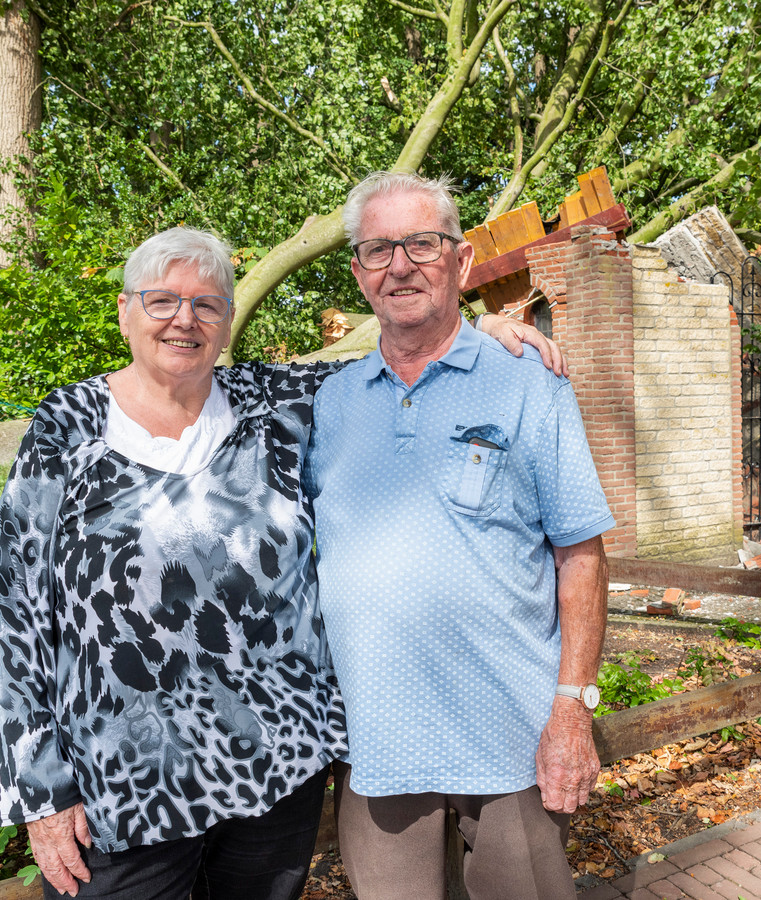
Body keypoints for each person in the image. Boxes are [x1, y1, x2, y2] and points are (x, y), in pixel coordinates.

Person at [0, 225, 560, 900]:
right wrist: (39, 791)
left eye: (207, 304)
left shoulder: (274, 404)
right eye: (161, 300)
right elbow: (15, 613)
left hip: (276, 774)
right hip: (126, 791)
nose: (184, 319)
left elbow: (401, 363)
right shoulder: (70, 424)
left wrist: (479, 331)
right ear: (124, 310)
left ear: (228, 320)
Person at [306, 172, 614, 900]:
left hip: (511, 741)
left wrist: (573, 709)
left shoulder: (527, 382)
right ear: (358, 274)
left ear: (462, 262)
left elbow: (581, 555)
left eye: (422, 242)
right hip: (378, 747)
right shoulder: (328, 400)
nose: (401, 264)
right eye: (378, 249)